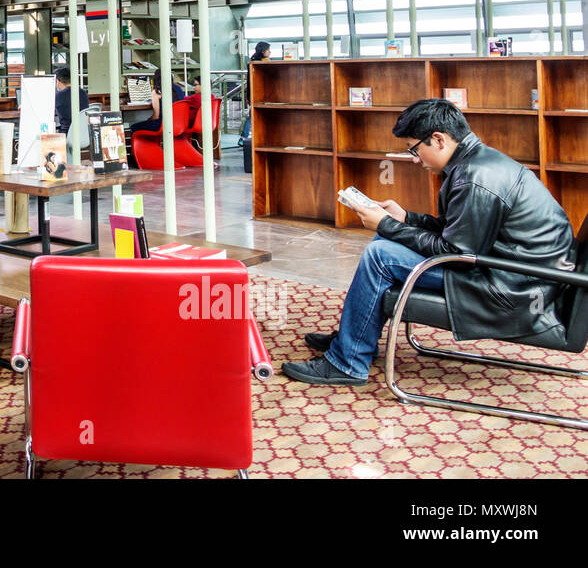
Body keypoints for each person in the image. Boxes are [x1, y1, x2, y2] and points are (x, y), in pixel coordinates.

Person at [282, 98, 578, 386]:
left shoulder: (476, 177)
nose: (414, 159)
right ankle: (355, 340)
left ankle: (348, 363)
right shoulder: (476, 162)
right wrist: (406, 218)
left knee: (380, 254)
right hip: (513, 271)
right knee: (383, 241)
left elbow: (458, 252)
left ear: (438, 139)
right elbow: (458, 231)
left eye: (414, 149)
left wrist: (386, 224)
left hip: (515, 286)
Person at [128, 69, 184, 134]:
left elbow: (156, 116)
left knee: (133, 127)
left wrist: (148, 120)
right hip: (179, 124)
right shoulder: (178, 89)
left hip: (163, 125)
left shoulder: (157, 92)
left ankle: (146, 144)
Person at [241, 42, 271, 140]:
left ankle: (244, 137)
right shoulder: (261, 63)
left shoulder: (252, 61)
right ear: (263, 51)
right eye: (268, 50)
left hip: (253, 93)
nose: (270, 52)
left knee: (252, 115)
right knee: (254, 116)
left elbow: (249, 81)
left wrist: (248, 96)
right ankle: (247, 136)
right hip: (260, 93)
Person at [54, 67, 89, 136]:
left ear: (58, 81)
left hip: (67, 135)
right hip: (84, 134)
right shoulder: (83, 92)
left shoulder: (58, 96)